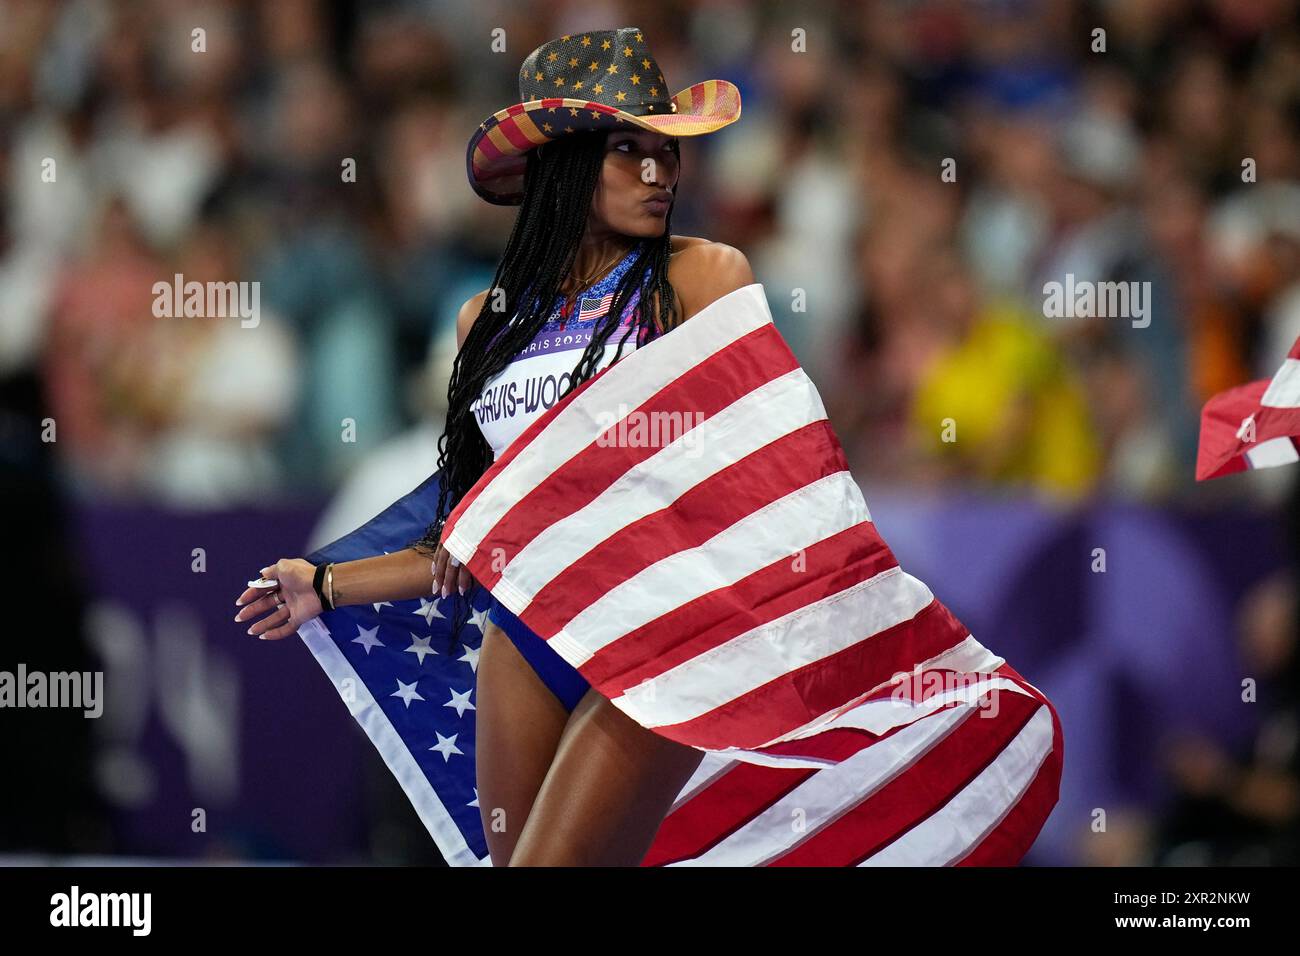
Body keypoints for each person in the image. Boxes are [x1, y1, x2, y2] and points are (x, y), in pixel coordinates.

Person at [234, 28, 750, 865]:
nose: (659, 175)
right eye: (629, 149)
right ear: (562, 164)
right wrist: (325, 585)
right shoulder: (487, 323)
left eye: (668, 152)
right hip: (524, 639)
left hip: (652, 621)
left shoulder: (706, 278)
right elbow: (473, 542)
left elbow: (767, 468)